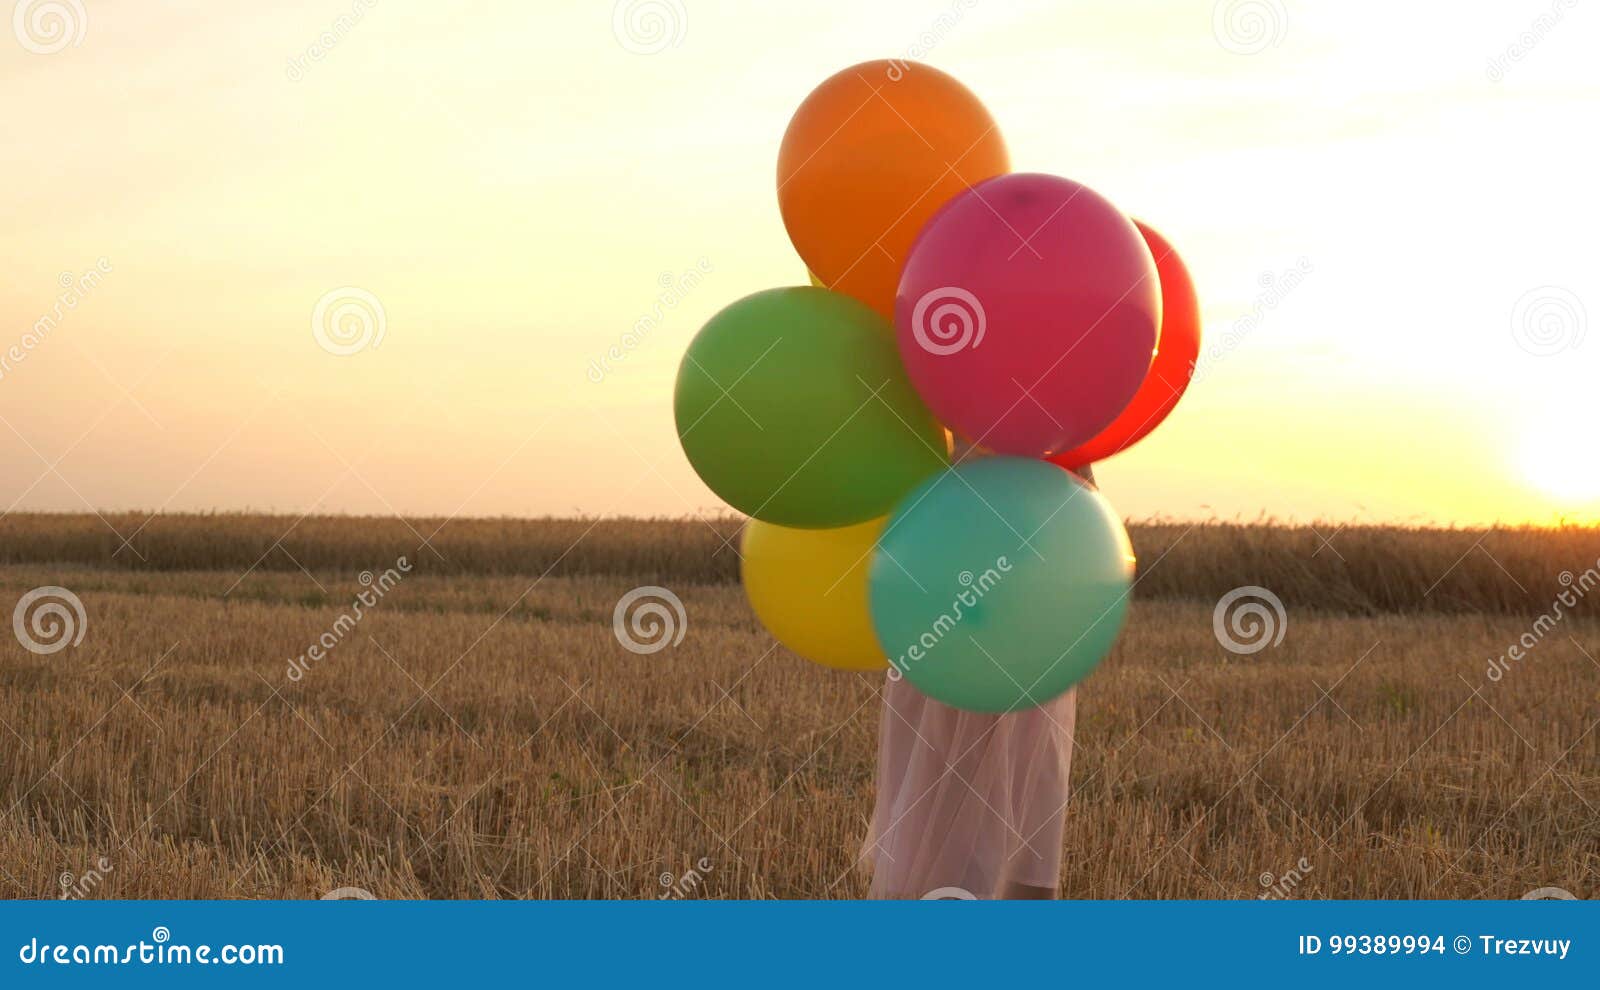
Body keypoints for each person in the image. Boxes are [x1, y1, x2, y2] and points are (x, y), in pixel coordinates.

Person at [862, 439, 1092, 899]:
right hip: (947, 638)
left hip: (1027, 641)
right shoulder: (931, 416)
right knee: (938, 823)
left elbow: (1085, 517)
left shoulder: (1062, 415)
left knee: (1025, 828)